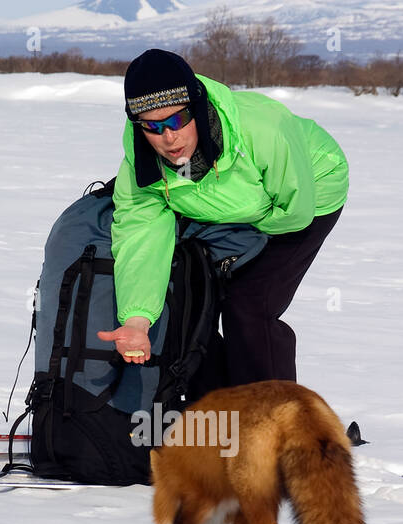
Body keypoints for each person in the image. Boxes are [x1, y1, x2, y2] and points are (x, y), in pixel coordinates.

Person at [97, 49, 348, 385]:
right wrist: (138, 320)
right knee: (194, 294)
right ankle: (218, 409)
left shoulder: (264, 129)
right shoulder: (141, 169)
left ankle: (278, 425)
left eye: (176, 120)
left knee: (249, 304)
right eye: (152, 127)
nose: (168, 138)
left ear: (197, 108)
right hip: (230, 207)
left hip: (308, 196)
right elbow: (140, 240)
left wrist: (246, 236)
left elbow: (294, 211)